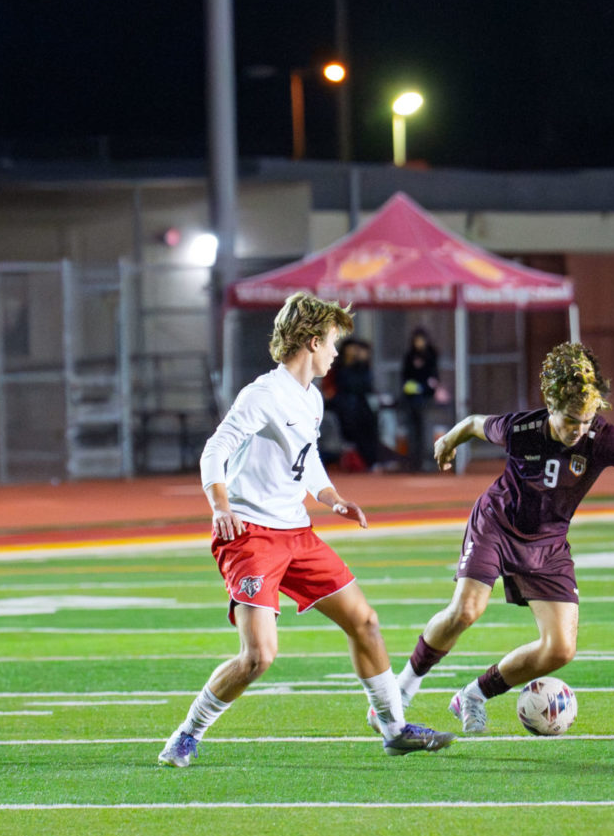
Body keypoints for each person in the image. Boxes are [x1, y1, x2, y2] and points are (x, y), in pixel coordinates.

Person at [159, 291, 456, 767]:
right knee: (259, 658)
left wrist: (332, 498)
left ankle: (394, 727)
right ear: (313, 342)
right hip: (252, 535)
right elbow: (214, 450)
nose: (337, 353)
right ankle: (187, 733)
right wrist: (219, 504)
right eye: (333, 343)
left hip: (296, 534)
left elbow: (307, 457)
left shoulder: (311, 398)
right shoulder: (262, 394)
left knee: (365, 621)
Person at [386, 342, 614, 734]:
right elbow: (472, 423)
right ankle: (400, 691)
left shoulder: (601, 438)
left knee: (560, 649)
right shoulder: (521, 429)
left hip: (548, 541)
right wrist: (447, 441)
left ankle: (472, 695)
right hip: (498, 524)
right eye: (572, 419)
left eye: (587, 420)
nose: (579, 429)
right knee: (467, 610)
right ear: (551, 406)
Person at [328, 336, 381, 472]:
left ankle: (369, 460)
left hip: (360, 405)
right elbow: (337, 386)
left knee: (369, 423)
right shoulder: (337, 367)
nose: (353, 352)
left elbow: (365, 386)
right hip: (342, 404)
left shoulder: (362, 367)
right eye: (350, 348)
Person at [399, 327, 440, 470]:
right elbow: (405, 378)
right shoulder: (409, 356)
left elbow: (434, 378)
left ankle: (428, 460)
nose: (419, 343)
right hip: (411, 399)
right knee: (412, 429)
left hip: (426, 399)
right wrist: (412, 388)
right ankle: (413, 461)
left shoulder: (431, 355)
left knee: (426, 428)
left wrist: (426, 388)